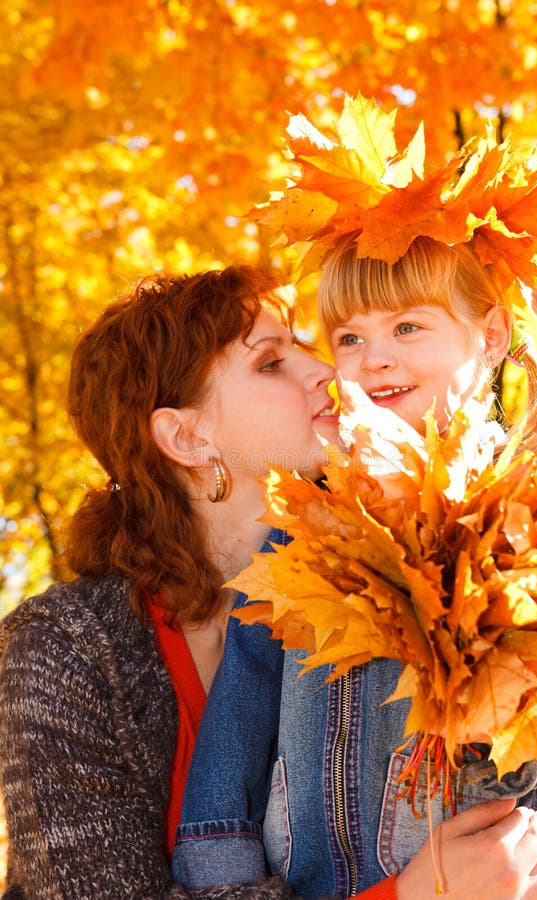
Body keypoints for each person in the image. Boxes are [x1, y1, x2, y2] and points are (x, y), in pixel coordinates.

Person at [172, 112, 537, 896]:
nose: (375, 359)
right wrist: (215, 864)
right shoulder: (307, 531)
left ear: (491, 336)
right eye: (350, 339)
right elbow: (239, 721)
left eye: (407, 326)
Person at [0, 264, 340, 899]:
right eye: (271, 363)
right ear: (186, 438)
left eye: (303, 348)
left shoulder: (375, 588)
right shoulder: (65, 652)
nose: (324, 369)